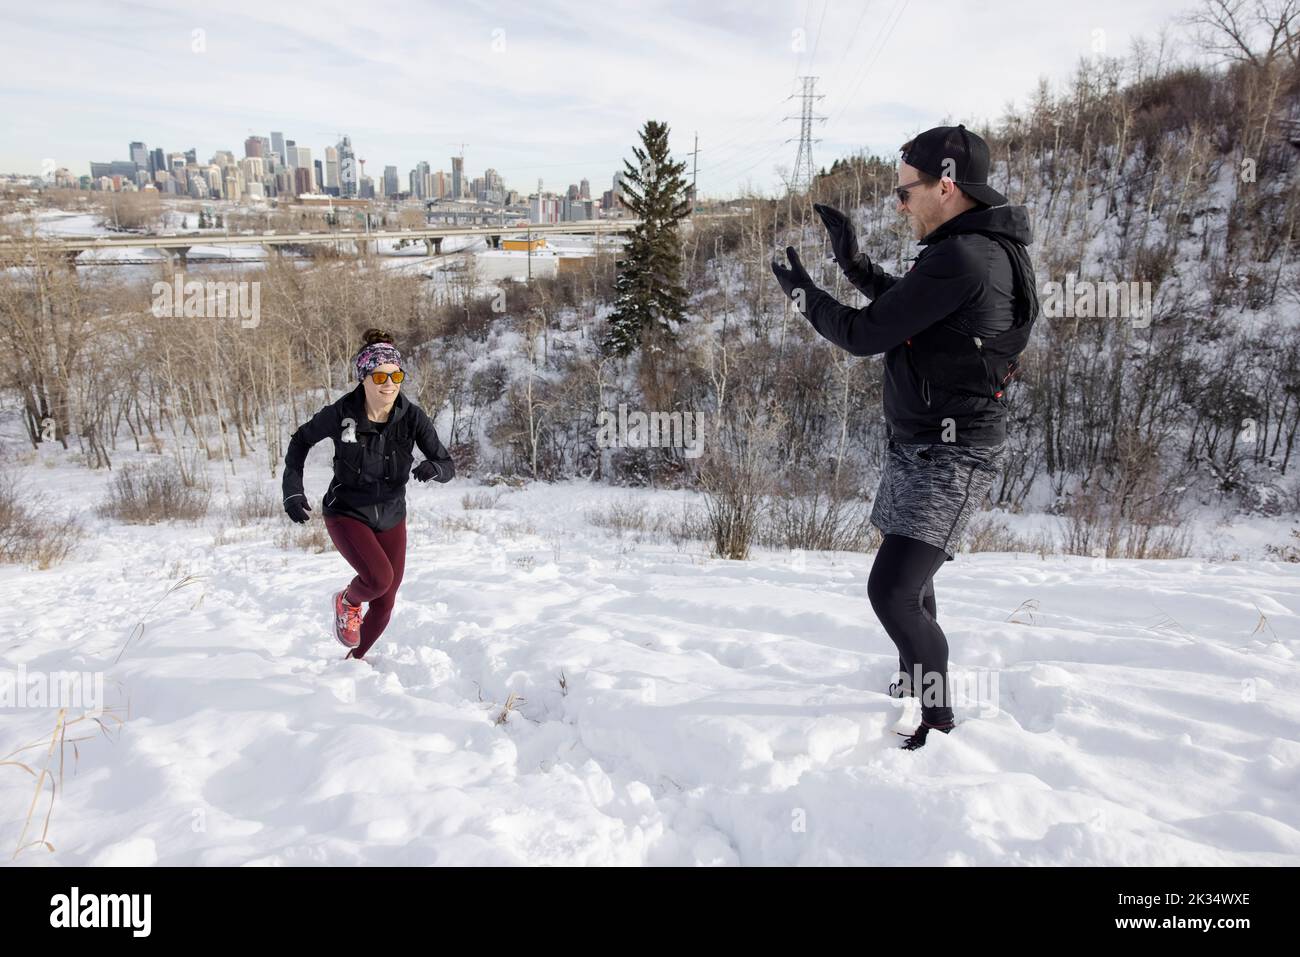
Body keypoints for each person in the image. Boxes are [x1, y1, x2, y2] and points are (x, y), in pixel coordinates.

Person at [771, 124, 1039, 750]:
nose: (898, 204)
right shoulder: (972, 247)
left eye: (904, 192)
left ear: (946, 185)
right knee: (913, 586)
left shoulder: (967, 255)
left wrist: (806, 298)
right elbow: (910, 305)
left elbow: (867, 334)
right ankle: (914, 682)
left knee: (891, 591)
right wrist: (852, 263)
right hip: (925, 441)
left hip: (951, 451)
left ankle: (939, 720)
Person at [282, 327, 455, 661]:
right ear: (363, 377)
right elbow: (300, 440)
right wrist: (292, 490)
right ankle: (347, 602)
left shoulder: (413, 417)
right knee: (377, 580)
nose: (389, 383)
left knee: (387, 600)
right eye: (379, 376)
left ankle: (352, 663)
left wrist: (435, 469)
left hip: (391, 514)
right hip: (347, 511)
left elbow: (446, 464)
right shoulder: (340, 413)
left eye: (395, 375)